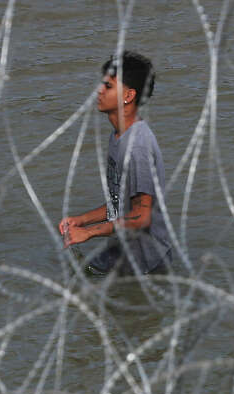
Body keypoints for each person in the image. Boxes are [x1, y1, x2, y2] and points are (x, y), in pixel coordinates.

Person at [58, 51, 172, 275]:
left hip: (147, 262)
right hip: (124, 250)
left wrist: (90, 233)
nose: (99, 91)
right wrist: (81, 221)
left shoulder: (138, 146)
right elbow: (120, 204)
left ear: (128, 95)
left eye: (108, 86)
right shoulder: (119, 136)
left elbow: (141, 217)